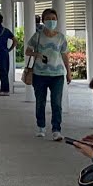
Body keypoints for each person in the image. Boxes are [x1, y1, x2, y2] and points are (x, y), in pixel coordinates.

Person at [26, 7, 70, 140]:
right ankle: (41, 127)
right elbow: (28, 51)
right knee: (40, 102)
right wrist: (37, 54)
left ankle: (56, 130)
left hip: (57, 75)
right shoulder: (38, 36)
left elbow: (65, 55)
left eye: (53, 19)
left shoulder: (60, 37)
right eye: (48, 19)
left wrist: (68, 72)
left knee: (57, 103)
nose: (51, 21)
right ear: (43, 20)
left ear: (57, 20)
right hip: (39, 74)